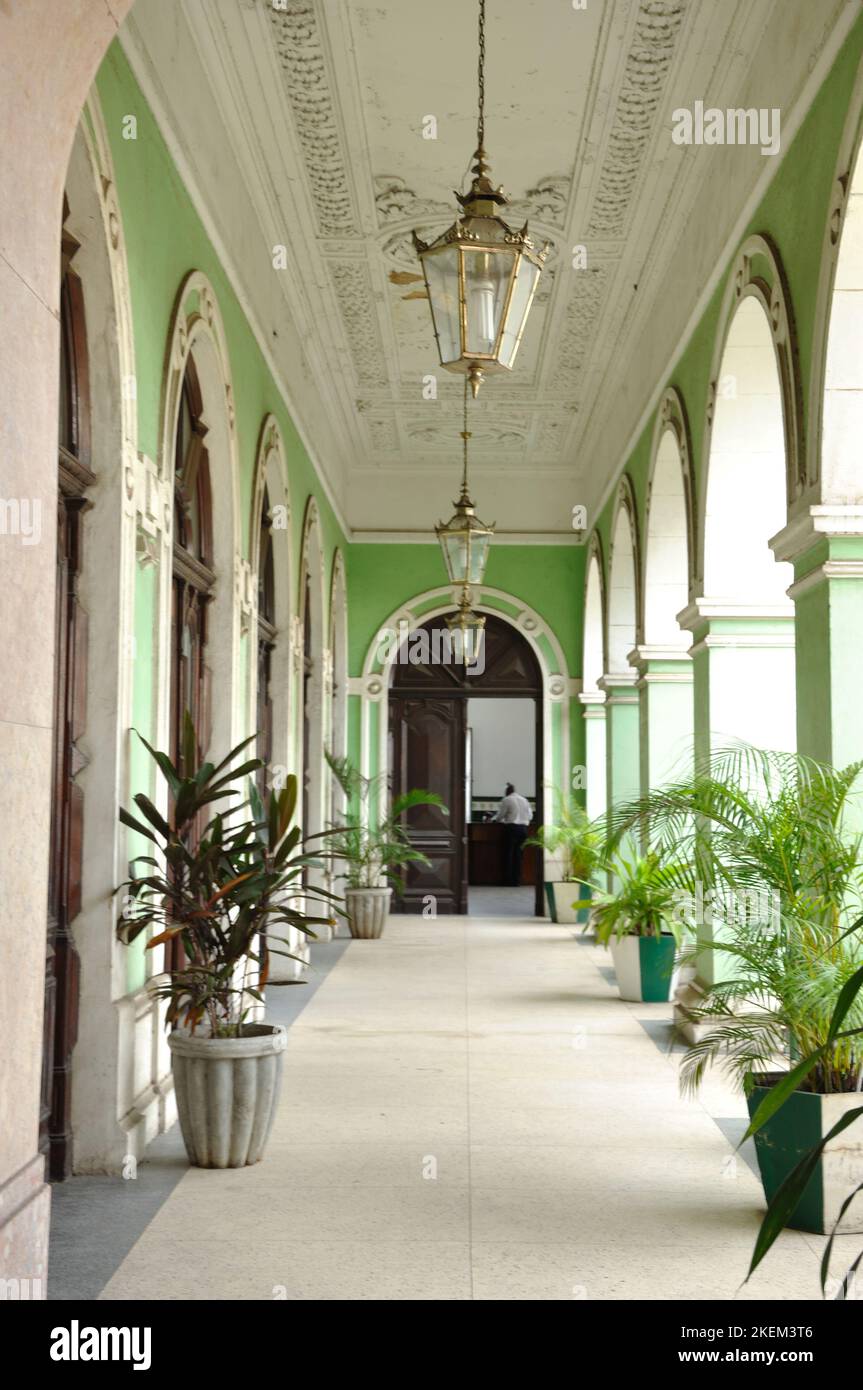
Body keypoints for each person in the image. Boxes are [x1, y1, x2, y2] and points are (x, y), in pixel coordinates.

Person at [491, 782, 532, 886]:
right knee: (519, 855)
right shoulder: (524, 800)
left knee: (508, 855)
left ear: (507, 791)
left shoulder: (507, 799)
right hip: (523, 829)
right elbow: (530, 816)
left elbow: (500, 816)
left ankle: (508, 881)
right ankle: (517, 880)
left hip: (511, 829)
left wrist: (494, 819)